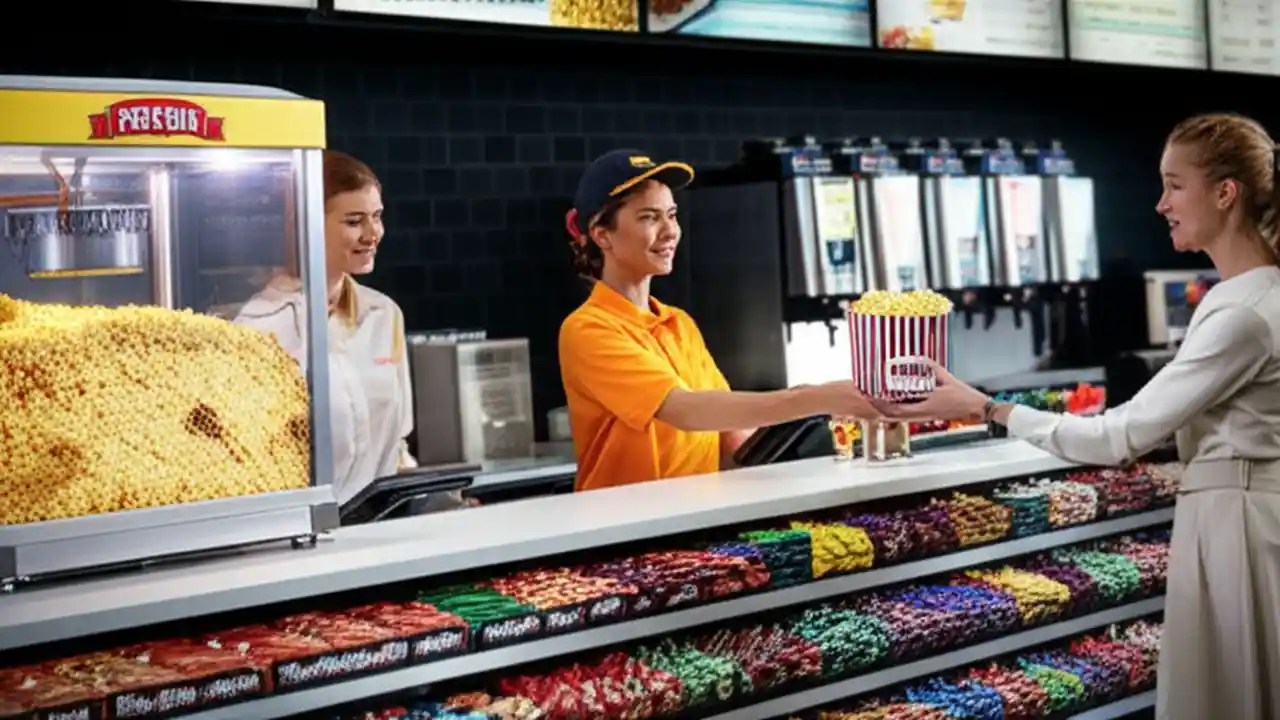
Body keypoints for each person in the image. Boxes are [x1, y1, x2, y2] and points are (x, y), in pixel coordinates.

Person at [879, 114, 1280, 720]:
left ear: (1226, 193)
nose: (1160, 203)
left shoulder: (1241, 315)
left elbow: (1116, 436)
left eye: (1174, 185)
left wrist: (986, 407)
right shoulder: (1254, 297)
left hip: (1238, 527)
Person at [557, 149, 880, 493]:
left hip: (695, 521)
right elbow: (684, 410)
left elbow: (728, 435)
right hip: (622, 530)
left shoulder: (677, 324)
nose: (670, 232)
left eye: (672, 214)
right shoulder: (588, 329)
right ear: (602, 234)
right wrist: (813, 398)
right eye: (649, 217)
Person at [235, 150, 419, 508]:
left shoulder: (385, 314)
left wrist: (430, 501)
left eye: (377, 217)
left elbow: (398, 445)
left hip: (378, 526)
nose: (372, 234)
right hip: (293, 533)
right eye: (354, 221)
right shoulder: (257, 328)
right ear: (305, 224)